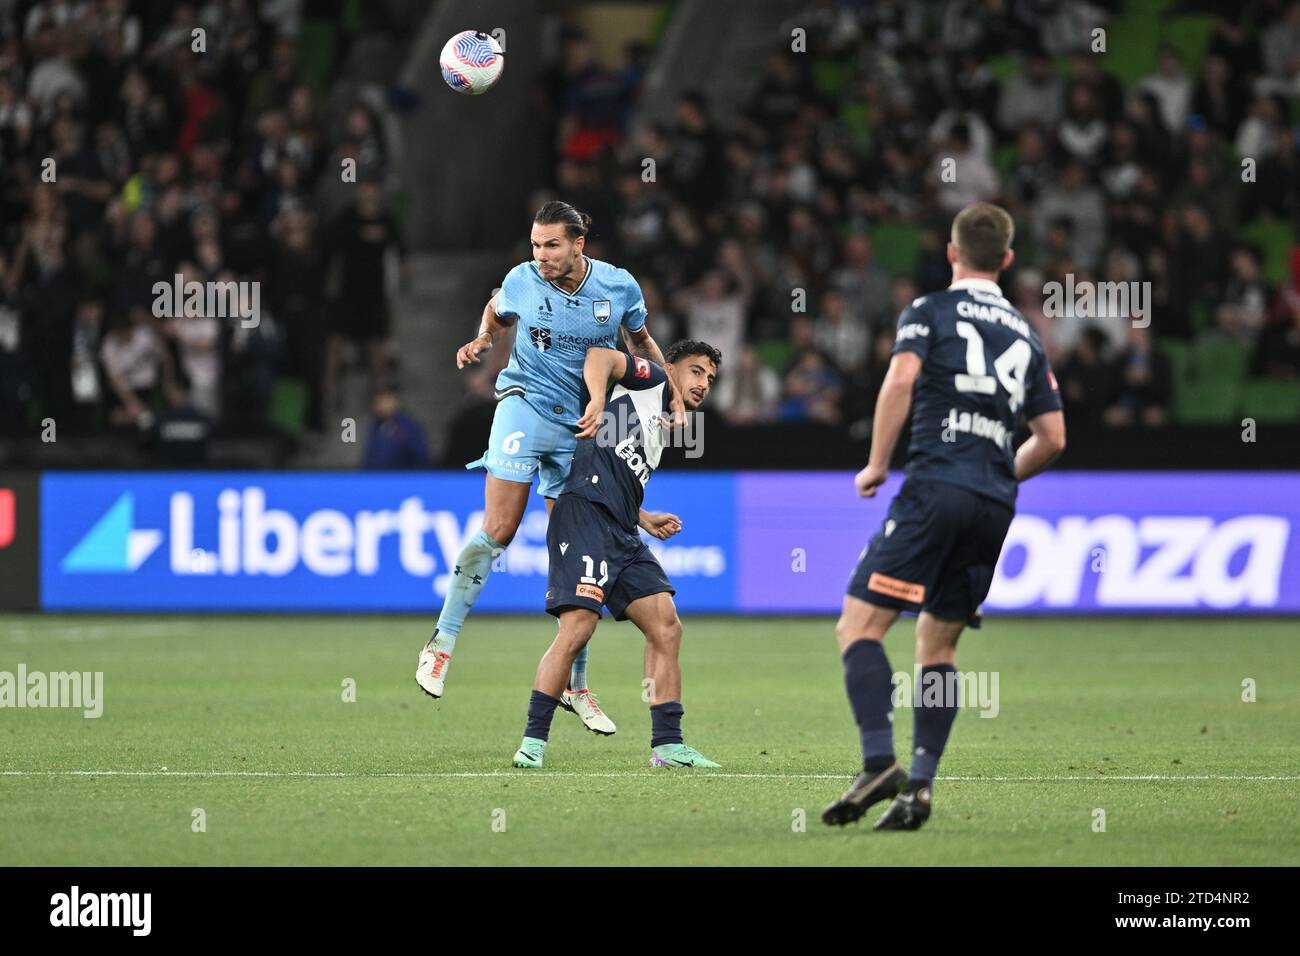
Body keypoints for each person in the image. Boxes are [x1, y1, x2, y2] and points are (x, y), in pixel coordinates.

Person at [822, 203, 1066, 831]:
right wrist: (996, 474)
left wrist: (876, 463)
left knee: (859, 627)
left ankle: (879, 761)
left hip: (934, 487)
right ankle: (920, 787)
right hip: (993, 501)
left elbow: (901, 379)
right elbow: (1054, 438)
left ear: (952, 253)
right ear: (1007, 260)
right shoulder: (1027, 334)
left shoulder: (930, 311)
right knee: (938, 646)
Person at [416, 201, 684, 737]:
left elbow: (640, 343)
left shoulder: (618, 287)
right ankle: (442, 642)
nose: (541, 256)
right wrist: (485, 337)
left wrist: (672, 389)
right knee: (500, 528)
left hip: (580, 427)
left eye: (552, 245)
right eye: (536, 245)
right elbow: (497, 307)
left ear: (579, 244)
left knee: (581, 553)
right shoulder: (522, 279)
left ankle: (575, 684)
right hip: (524, 404)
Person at [511, 340, 721, 769]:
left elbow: (617, 466)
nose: (703, 384)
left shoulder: (661, 425)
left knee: (666, 626)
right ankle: (532, 743)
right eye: (696, 371)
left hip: (622, 529)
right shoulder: (652, 380)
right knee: (578, 628)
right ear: (672, 367)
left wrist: (643, 518)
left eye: (711, 379)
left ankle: (667, 746)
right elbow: (598, 356)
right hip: (584, 515)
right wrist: (598, 397)